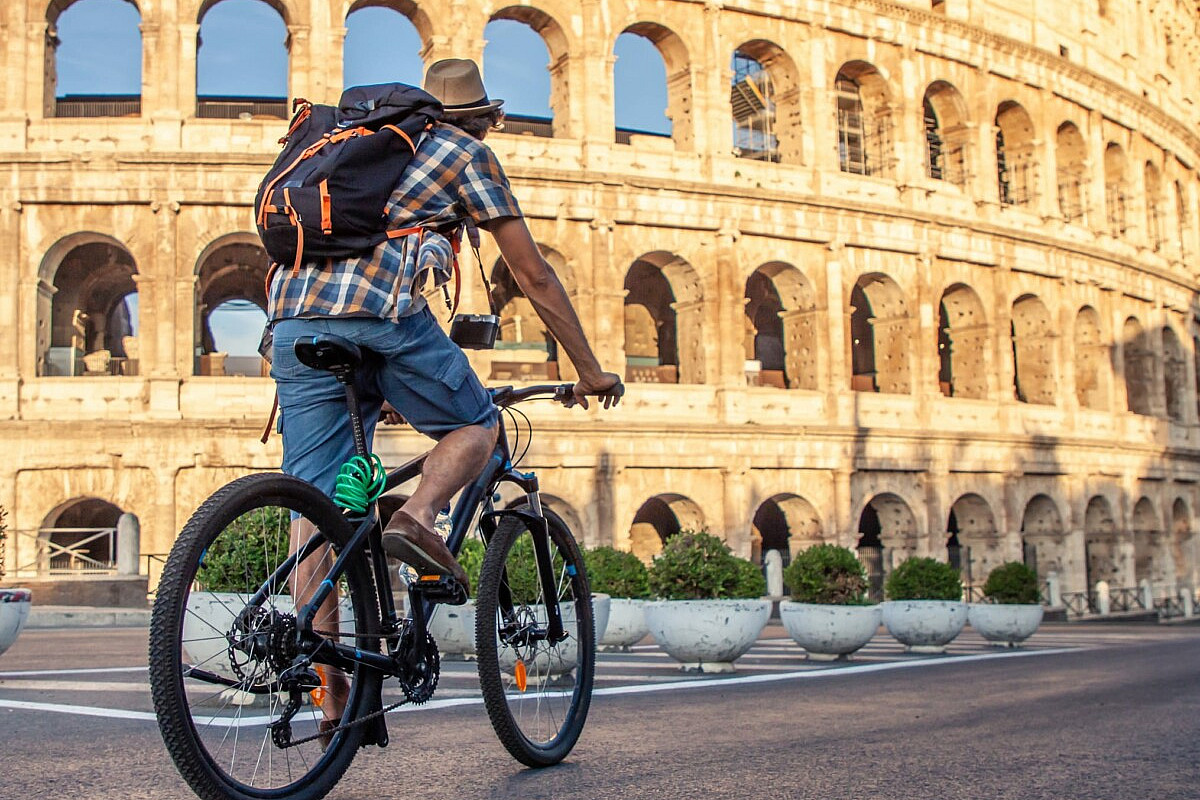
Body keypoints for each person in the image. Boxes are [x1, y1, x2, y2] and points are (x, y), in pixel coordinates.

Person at [266, 58, 623, 729]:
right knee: (475, 426)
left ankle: (336, 695)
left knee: (313, 516)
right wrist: (591, 369)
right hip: (380, 318)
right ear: (484, 119)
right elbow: (533, 274)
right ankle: (421, 516)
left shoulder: (343, 149)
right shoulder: (464, 153)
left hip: (290, 324)